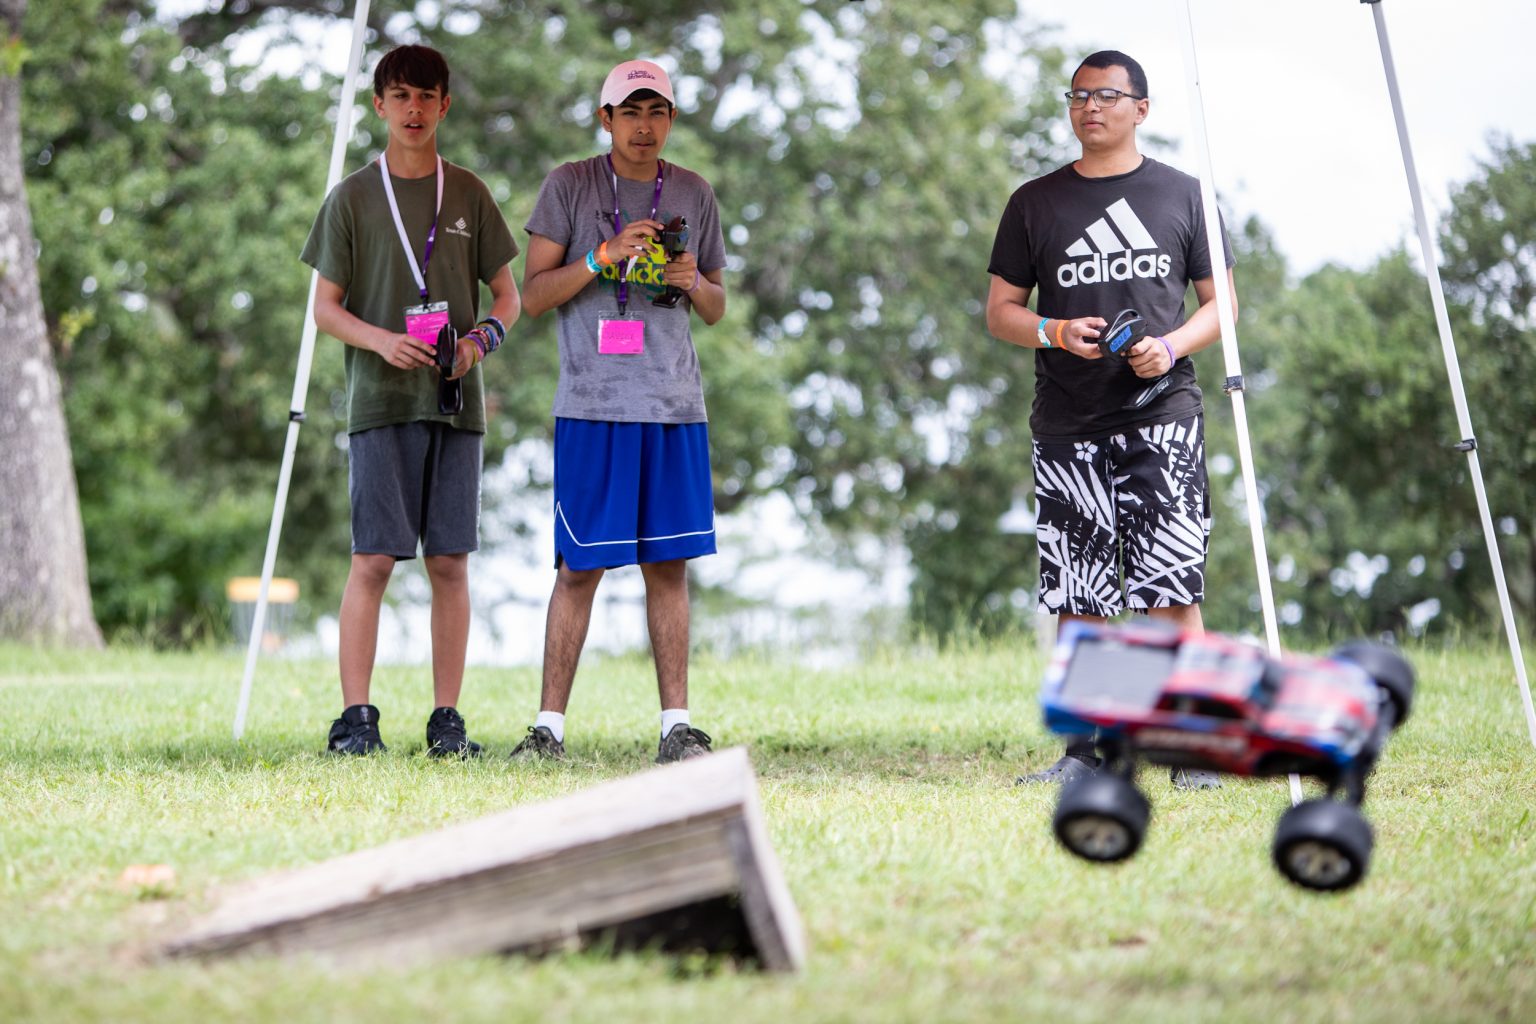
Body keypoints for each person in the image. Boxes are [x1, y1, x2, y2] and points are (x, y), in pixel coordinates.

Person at [985, 50, 1237, 789]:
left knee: (1171, 585)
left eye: (1107, 95)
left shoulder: (1183, 195)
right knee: (1080, 590)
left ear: (1141, 108)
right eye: (1079, 95)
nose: (1090, 106)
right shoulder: (1035, 202)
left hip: (1162, 416)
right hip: (1067, 421)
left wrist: (1171, 346)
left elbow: (1221, 305)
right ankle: (1084, 752)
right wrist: (1054, 332)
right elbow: (1000, 312)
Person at [300, 44, 521, 757]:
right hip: (380, 400)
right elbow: (324, 310)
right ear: (379, 105)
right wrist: (381, 340)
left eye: (427, 96)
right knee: (373, 560)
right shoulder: (352, 198)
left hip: (457, 403)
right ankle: (356, 720)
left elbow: (509, 298)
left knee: (450, 562)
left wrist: (479, 341)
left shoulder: (469, 193)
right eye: (400, 96)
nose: (414, 109)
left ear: (445, 105)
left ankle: (446, 723)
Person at [512, 59, 727, 764]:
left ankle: (676, 727)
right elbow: (532, 294)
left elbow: (719, 307)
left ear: (671, 119)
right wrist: (602, 257)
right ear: (605, 119)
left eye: (657, 111)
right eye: (630, 112)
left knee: (669, 567)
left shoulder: (694, 193)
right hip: (593, 403)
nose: (644, 125)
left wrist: (693, 280)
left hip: (672, 405)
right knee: (579, 568)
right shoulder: (569, 185)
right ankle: (548, 729)